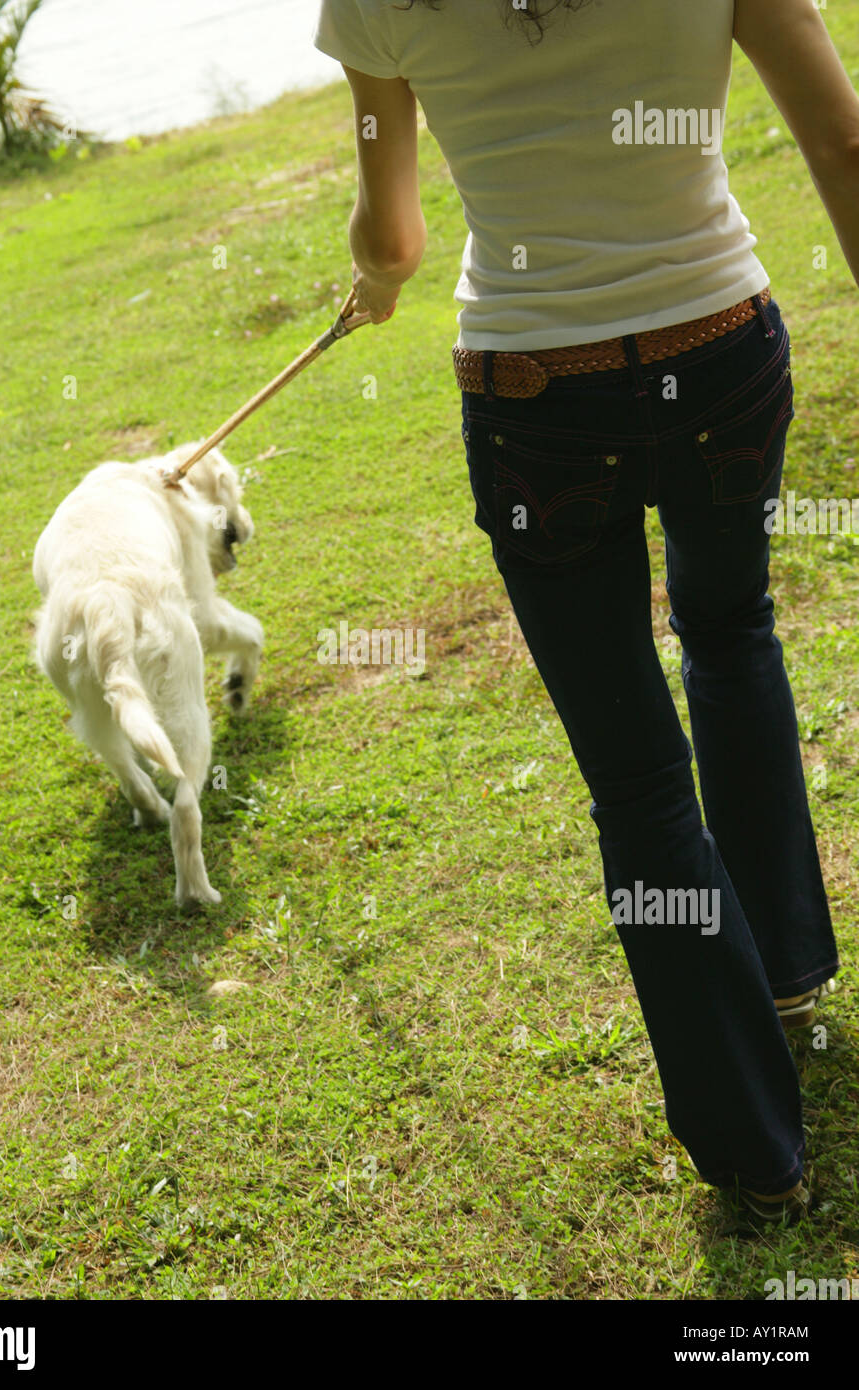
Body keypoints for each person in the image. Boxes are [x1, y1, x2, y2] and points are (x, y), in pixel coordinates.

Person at [312, 0, 856, 1226]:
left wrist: (376, 277)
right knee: (732, 633)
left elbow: (392, 232)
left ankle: (757, 1152)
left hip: (535, 399)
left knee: (638, 778)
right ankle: (786, 971)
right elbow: (845, 141)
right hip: (721, 350)